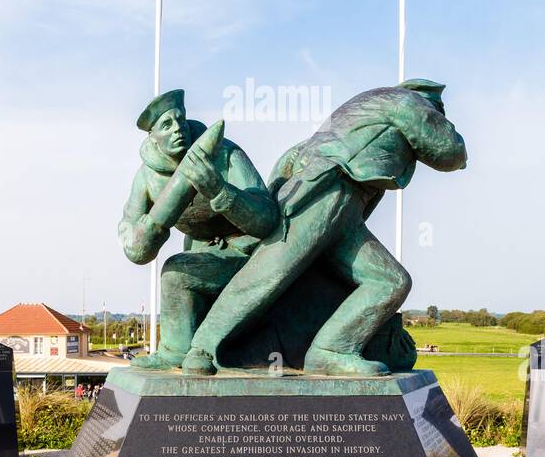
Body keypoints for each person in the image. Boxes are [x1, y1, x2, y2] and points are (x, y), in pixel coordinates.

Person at [182, 80, 467, 376]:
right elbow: (449, 151)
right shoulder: (408, 102)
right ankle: (202, 349)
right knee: (268, 273)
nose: (440, 119)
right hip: (326, 191)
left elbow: (293, 156)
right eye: (440, 115)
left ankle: (331, 350)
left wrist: (279, 192)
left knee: (390, 281)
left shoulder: (361, 110)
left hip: (343, 203)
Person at [118, 89, 278, 372]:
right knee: (179, 270)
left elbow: (266, 217)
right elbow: (131, 230)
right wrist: (141, 233)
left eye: (180, 119)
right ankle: (176, 351)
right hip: (202, 255)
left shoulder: (225, 154)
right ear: (152, 135)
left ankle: (176, 351)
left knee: (175, 273)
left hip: (249, 251)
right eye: (166, 125)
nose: (177, 128)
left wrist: (218, 189)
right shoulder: (146, 177)